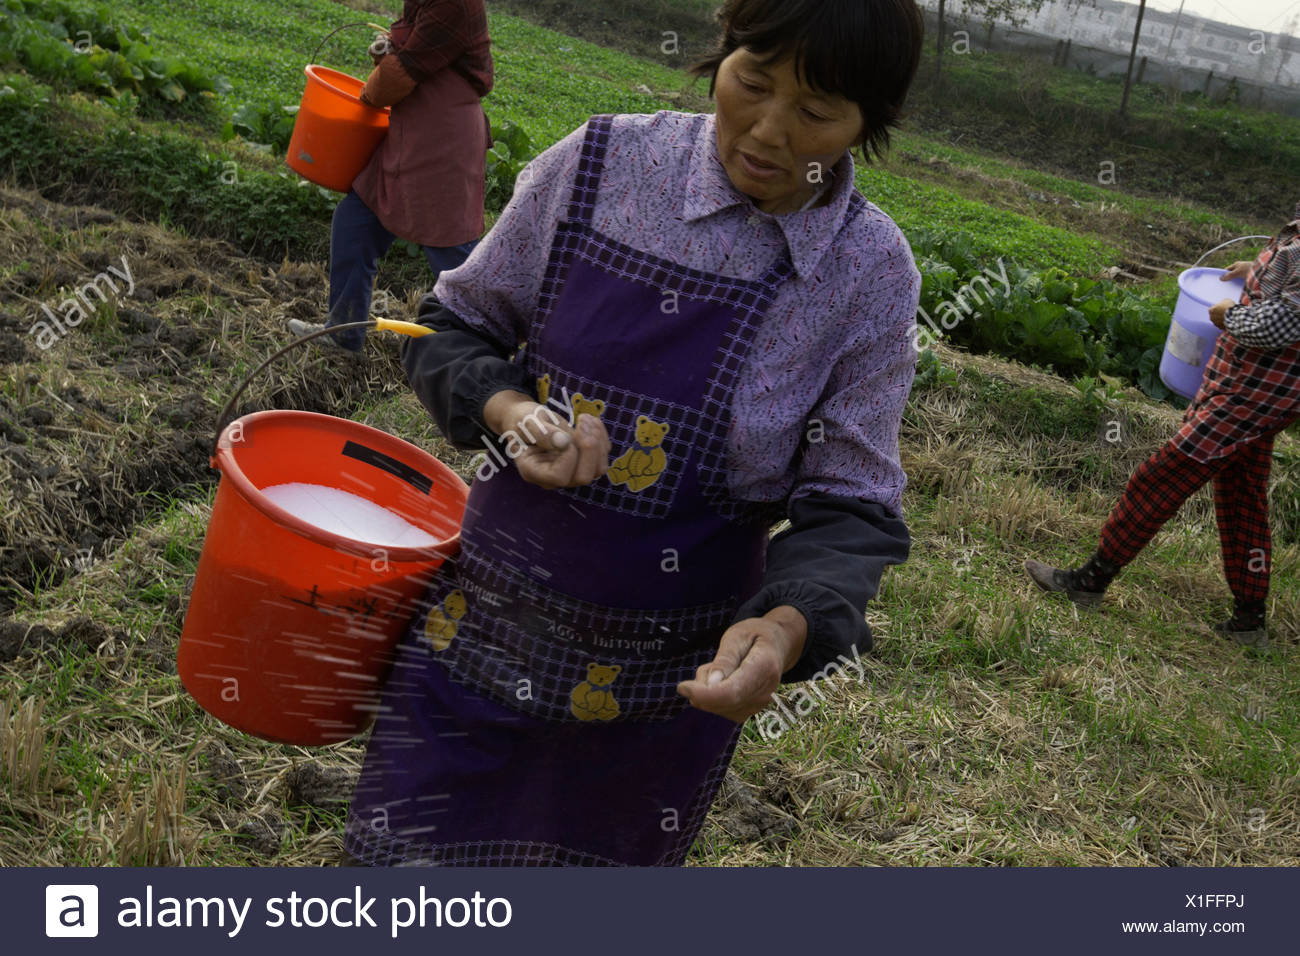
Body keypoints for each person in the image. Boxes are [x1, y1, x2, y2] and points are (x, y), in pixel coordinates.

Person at [342, 0, 925, 867]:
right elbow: (451, 326)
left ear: (867, 124)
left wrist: (790, 625)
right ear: (720, 58)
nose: (768, 131)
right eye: (752, 82)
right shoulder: (602, 164)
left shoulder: (867, 275)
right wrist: (506, 409)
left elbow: (852, 506)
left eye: (815, 112)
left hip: (657, 694)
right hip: (478, 637)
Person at [1026, 205, 1300, 648]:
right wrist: (1255, 273)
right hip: (1264, 393)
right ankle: (1249, 620)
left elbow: (1283, 325)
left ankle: (1090, 581)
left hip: (1253, 392)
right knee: (1242, 493)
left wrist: (1231, 315)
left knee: (1165, 473)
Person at [288, 0, 493, 352]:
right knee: (355, 222)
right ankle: (342, 334)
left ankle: (490, 350)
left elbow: (397, 78)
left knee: (452, 256)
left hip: (444, 142)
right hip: (407, 133)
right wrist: (389, 49)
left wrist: (376, 82)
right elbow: (411, 48)